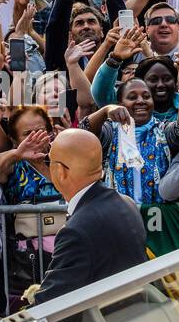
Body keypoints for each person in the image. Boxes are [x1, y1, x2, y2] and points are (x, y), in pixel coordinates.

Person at [29, 128, 147, 305]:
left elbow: (50, 304)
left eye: (49, 160)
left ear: (61, 171)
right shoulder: (126, 203)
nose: (47, 165)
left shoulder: (76, 231)